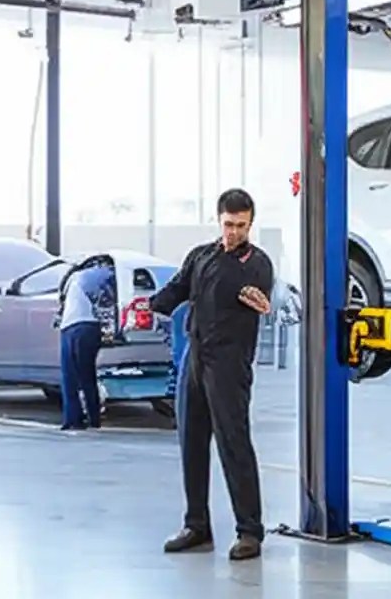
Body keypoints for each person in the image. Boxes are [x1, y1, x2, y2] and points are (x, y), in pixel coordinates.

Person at [150, 188, 274, 562]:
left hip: (229, 364)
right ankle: (197, 525)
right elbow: (176, 290)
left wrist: (259, 299)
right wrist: (150, 304)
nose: (235, 232)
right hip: (196, 356)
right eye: (229, 224)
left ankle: (249, 531)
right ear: (218, 220)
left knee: (233, 443)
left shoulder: (257, 262)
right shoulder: (201, 256)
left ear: (251, 223)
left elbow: (261, 295)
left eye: (242, 225)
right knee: (190, 440)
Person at [56, 258, 116, 431]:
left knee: (69, 378)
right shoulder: (106, 276)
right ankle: (93, 418)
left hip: (70, 326)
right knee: (87, 375)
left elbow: (61, 303)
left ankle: (72, 419)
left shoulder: (74, 276)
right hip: (89, 326)